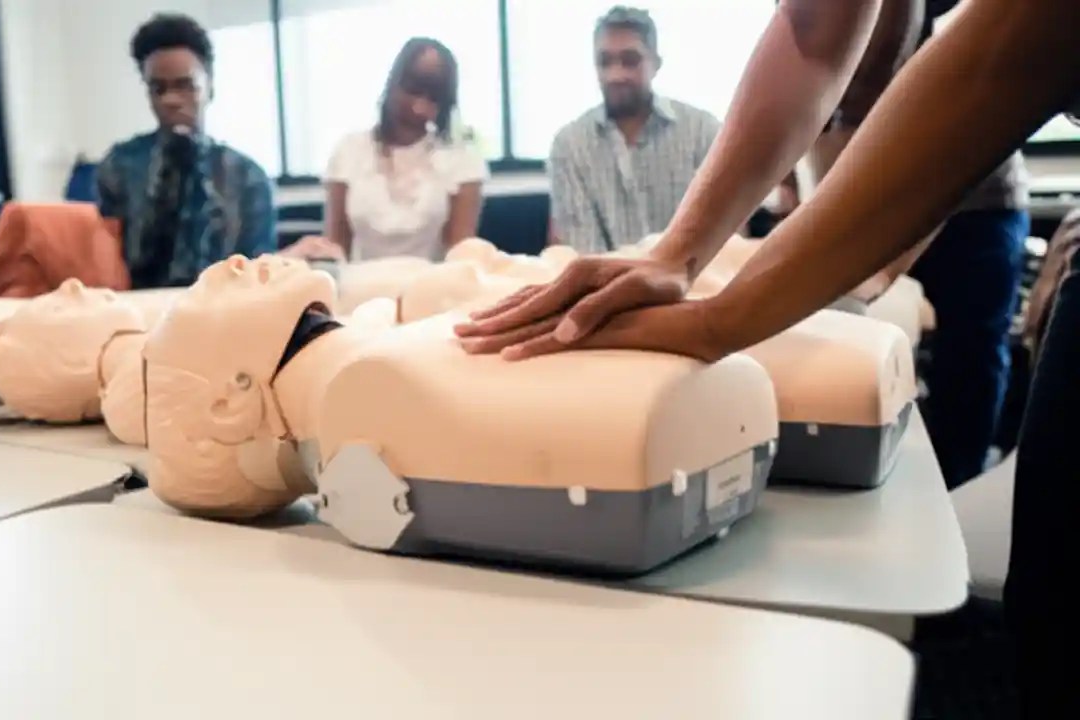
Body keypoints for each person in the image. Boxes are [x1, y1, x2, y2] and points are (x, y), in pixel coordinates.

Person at [456, 0, 1078, 714]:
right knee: (1052, 593)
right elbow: (813, 37)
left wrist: (729, 319)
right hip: (911, 148)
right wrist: (675, 258)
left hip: (970, 162)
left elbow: (1015, 47)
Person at [790, 0, 1033, 490]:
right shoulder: (809, 43)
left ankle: (955, 484)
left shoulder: (949, 36)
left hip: (976, 196)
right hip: (876, 185)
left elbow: (952, 150)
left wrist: (876, 271)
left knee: (973, 351)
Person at [95, 14, 336, 290]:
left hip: (227, 313)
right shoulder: (120, 166)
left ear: (210, 86)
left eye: (185, 85)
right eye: (157, 88)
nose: (170, 100)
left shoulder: (247, 176)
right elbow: (111, 268)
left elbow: (257, 271)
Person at [547, 6, 721, 254]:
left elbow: (725, 239)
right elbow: (580, 252)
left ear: (656, 64)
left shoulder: (702, 132)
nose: (615, 74)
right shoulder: (570, 144)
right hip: (603, 288)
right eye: (604, 62)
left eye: (630, 60)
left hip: (695, 284)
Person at [320, 37, 488, 262]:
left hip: (433, 289)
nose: (420, 106)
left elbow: (461, 259)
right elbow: (334, 251)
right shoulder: (349, 150)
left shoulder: (462, 159)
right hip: (360, 290)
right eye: (413, 89)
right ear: (393, 83)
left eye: (434, 97)